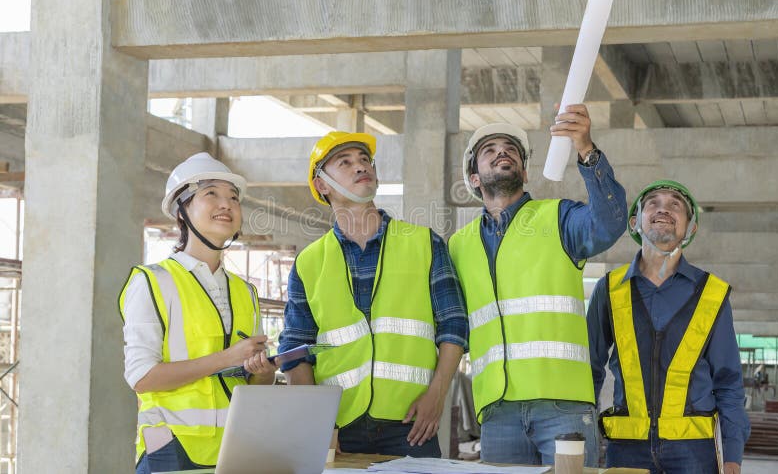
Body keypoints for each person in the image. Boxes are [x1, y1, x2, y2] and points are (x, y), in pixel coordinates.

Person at [448, 104, 627, 466]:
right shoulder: (458, 246)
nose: (502, 152)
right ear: (474, 178)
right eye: (489, 150)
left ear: (525, 173)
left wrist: (586, 150)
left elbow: (609, 223)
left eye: (511, 149)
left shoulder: (558, 218)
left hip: (563, 406)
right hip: (498, 411)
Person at [278, 131, 468, 457]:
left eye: (365, 160)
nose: (360, 166)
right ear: (322, 184)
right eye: (345, 162)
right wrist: (316, 424)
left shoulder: (424, 243)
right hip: (340, 427)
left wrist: (437, 395)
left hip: (411, 422)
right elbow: (296, 350)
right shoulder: (309, 262)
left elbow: (455, 325)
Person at [119, 153, 278, 473]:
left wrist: (263, 371)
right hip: (171, 448)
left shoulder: (244, 292)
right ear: (182, 212)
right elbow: (142, 377)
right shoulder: (152, 281)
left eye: (233, 198)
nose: (226, 204)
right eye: (211, 194)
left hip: (234, 449)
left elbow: (257, 385)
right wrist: (227, 358)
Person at [587, 180, 750, 474]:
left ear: (691, 228)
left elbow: (728, 383)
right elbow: (589, 369)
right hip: (626, 447)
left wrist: (732, 454)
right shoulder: (609, 289)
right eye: (653, 203)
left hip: (694, 451)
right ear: (634, 223)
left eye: (676, 204)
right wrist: (584, 435)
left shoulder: (711, 294)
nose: (663, 208)